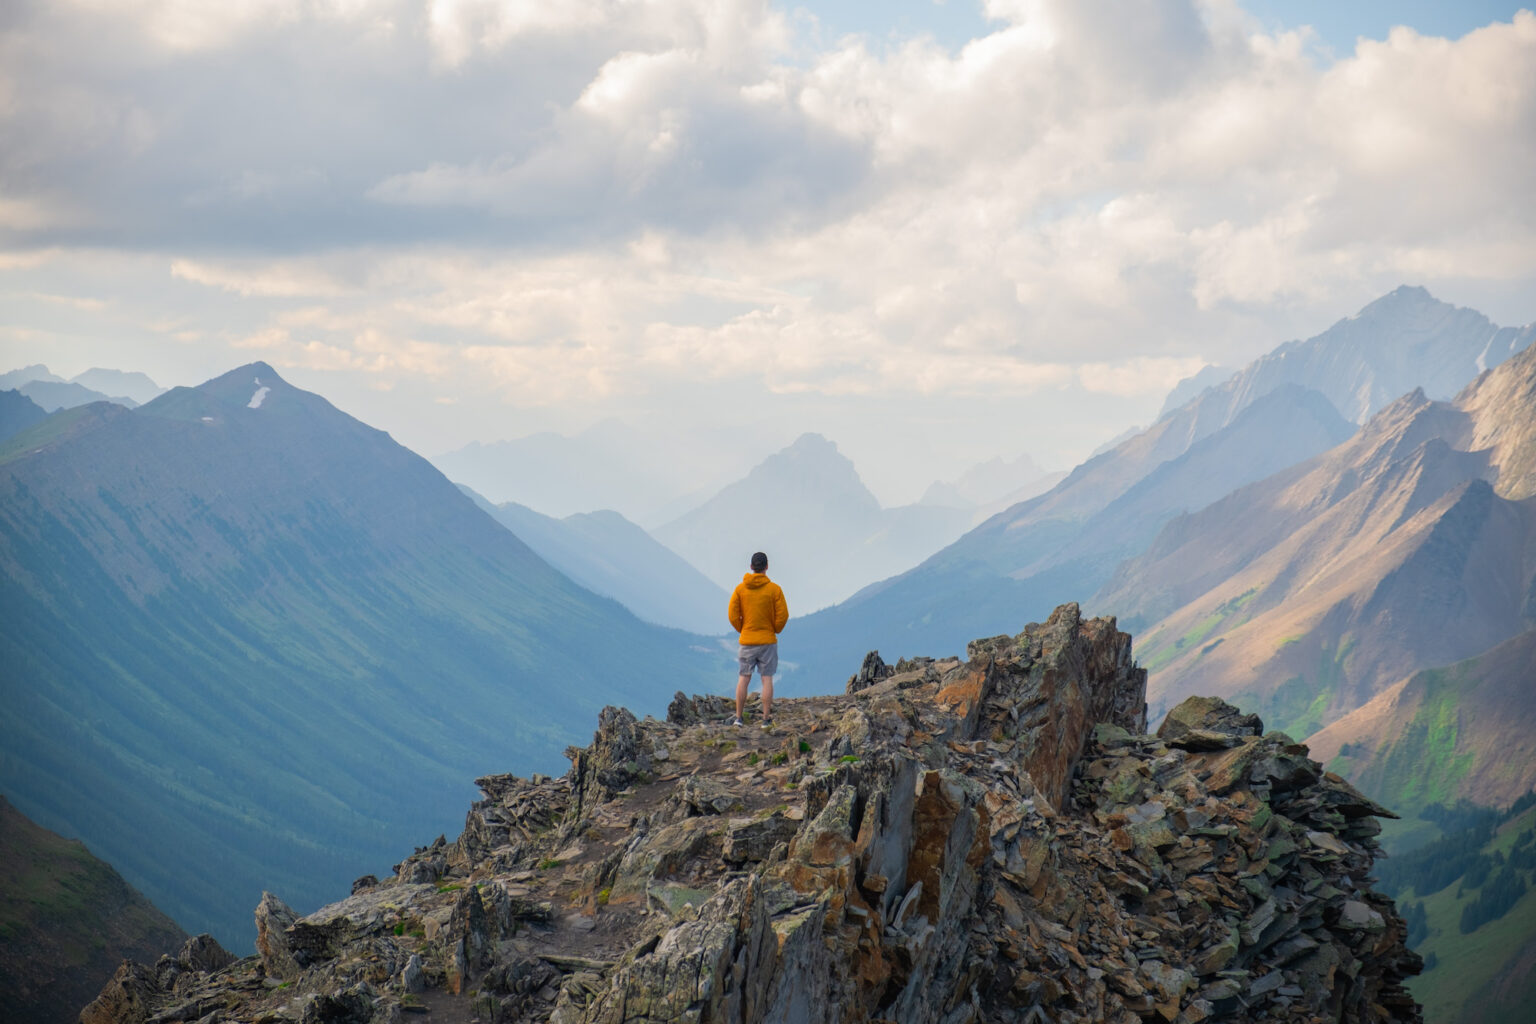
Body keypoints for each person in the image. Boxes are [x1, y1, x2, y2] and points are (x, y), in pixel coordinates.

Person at [727, 551, 788, 728]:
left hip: (747, 641)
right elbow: (783, 615)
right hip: (767, 640)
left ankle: (738, 718)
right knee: (766, 678)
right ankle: (766, 719)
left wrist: (743, 629)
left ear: (752, 567)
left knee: (743, 677)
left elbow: (732, 615)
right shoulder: (774, 590)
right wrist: (775, 629)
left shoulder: (740, 589)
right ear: (766, 567)